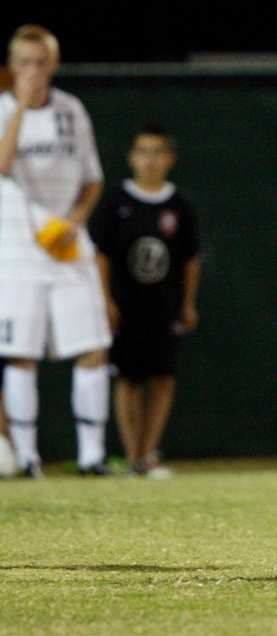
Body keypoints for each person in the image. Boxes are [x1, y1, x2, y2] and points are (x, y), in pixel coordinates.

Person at [0, 24, 111, 477]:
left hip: (66, 242)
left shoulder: (71, 110)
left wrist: (77, 220)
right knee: (21, 353)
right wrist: (21, 106)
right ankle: (28, 458)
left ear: (54, 65)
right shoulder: (3, 109)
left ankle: (92, 456)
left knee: (93, 347)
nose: (34, 71)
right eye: (25, 63)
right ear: (11, 67)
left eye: (41, 63)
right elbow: (1, 165)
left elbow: (92, 178)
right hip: (17, 248)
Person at [90, 124, 201, 478]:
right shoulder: (116, 202)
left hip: (165, 306)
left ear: (170, 159)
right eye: (143, 152)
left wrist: (188, 303)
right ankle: (131, 455)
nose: (150, 160)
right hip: (125, 306)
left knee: (163, 378)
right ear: (131, 157)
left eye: (157, 152)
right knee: (129, 379)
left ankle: (147, 455)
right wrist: (106, 300)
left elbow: (190, 259)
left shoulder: (179, 205)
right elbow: (101, 255)